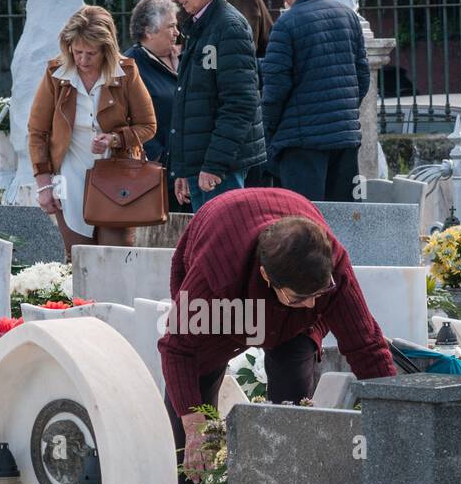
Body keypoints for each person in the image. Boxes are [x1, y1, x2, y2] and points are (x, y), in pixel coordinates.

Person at [159, 187, 396, 468]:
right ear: (266, 277)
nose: (311, 305)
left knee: (292, 400)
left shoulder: (332, 268)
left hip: (291, 317)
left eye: (318, 294)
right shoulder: (216, 273)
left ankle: (286, 475)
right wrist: (193, 424)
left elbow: (366, 346)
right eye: (299, 297)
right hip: (227, 304)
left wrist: (394, 415)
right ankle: (190, 483)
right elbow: (178, 348)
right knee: (191, 431)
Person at [28, 5, 158, 259]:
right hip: (69, 178)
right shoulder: (56, 74)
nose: (83, 61)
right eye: (77, 52)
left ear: (106, 50)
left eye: (91, 53)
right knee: (77, 260)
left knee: (114, 258)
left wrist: (116, 139)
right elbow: (37, 131)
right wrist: (43, 184)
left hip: (117, 179)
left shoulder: (126, 72)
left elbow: (148, 126)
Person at [158, 0, 266, 211]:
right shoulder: (200, 25)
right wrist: (184, 168)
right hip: (204, 166)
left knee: (224, 246)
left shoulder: (228, 26)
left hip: (219, 168)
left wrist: (214, 165)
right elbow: (190, 103)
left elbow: (240, 104)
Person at [262, 0, 368, 203]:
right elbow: (362, 76)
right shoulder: (348, 16)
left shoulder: (286, 26)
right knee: (344, 220)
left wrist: (270, 134)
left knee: (306, 223)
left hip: (301, 143)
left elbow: (275, 90)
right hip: (345, 138)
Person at [124, 0, 181, 206]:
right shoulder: (130, 66)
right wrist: (158, 156)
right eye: (171, 26)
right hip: (156, 176)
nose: (177, 32)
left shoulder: (180, 58)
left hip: (182, 170)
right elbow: (126, 117)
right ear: (149, 31)